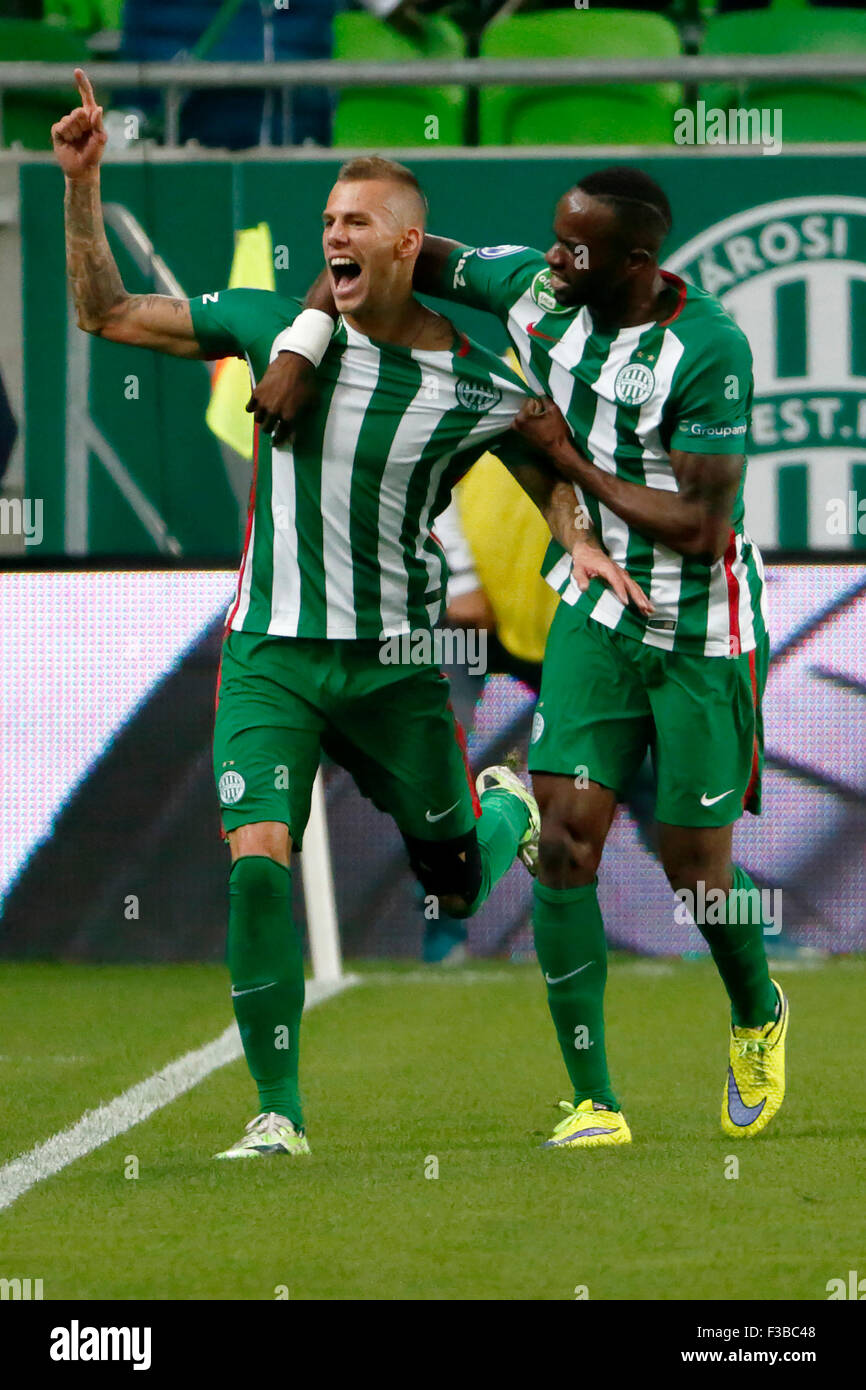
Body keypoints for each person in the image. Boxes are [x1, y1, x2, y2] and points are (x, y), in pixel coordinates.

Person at [52, 74, 648, 1157]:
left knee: (455, 883)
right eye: (326, 217)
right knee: (256, 858)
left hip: (395, 668)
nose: (332, 231)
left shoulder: (473, 387)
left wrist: (582, 545)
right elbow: (104, 311)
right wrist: (82, 186)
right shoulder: (272, 326)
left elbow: (550, 469)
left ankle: (499, 809)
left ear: (407, 243)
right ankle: (276, 1110)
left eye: (355, 220)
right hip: (272, 652)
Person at [250, 165, 789, 1149]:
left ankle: (755, 1010)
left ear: (636, 263)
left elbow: (702, 528)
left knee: (692, 869)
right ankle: (595, 1100)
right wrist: (301, 341)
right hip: (592, 610)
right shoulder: (533, 292)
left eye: (574, 248)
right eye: (552, 236)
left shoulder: (705, 349)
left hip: (699, 627)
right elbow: (377, 258)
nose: (551, 257)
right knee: (567, 837)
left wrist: (570, 466)